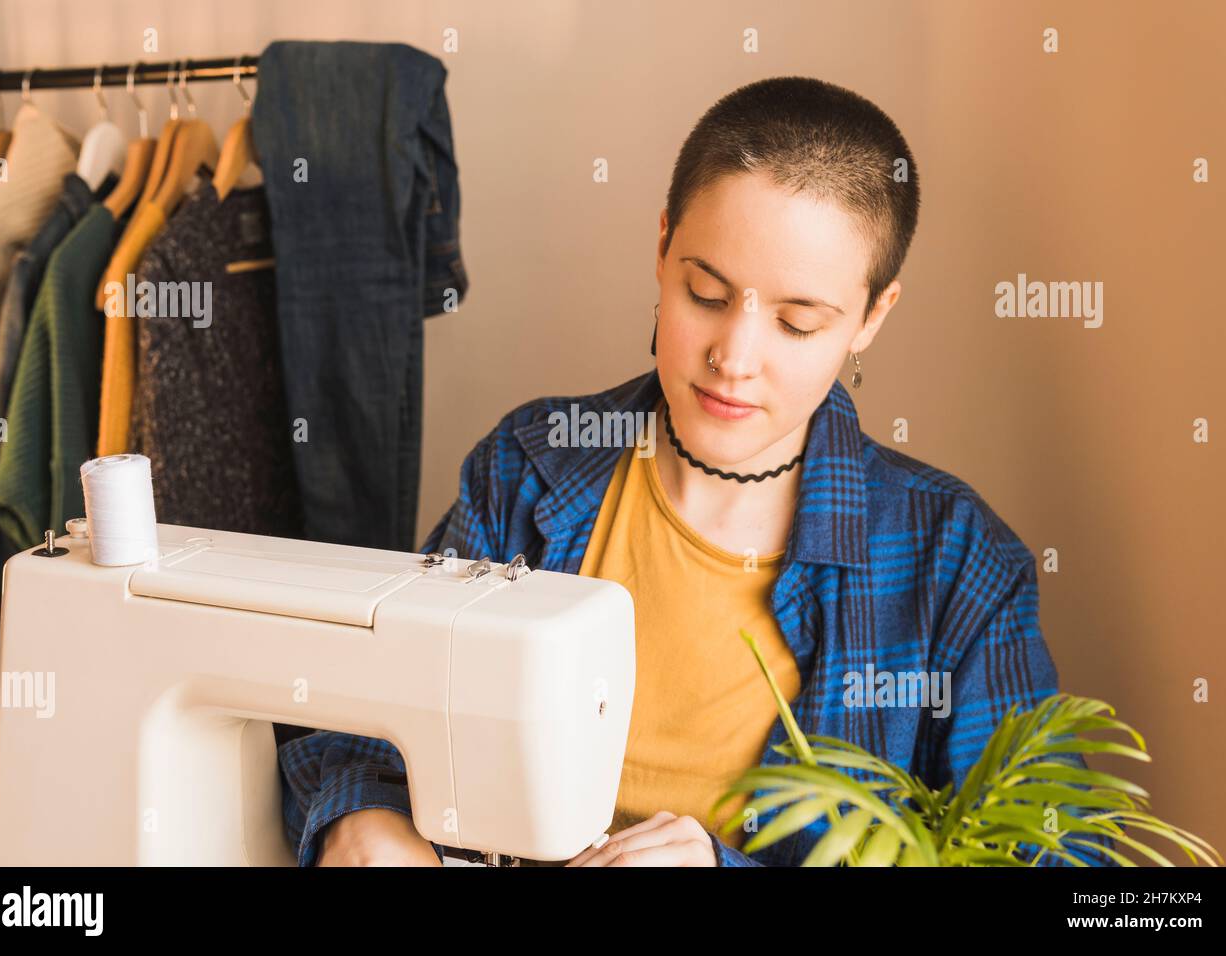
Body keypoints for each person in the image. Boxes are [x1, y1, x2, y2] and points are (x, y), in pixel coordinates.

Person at [281, 76, 1109, 867]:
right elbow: (366, 722)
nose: (732, 360)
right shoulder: (528, 471)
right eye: (707, 295)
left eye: (796, 323)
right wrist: (364, 818)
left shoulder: (956, 564)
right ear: (663, 245)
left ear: (870, 317)